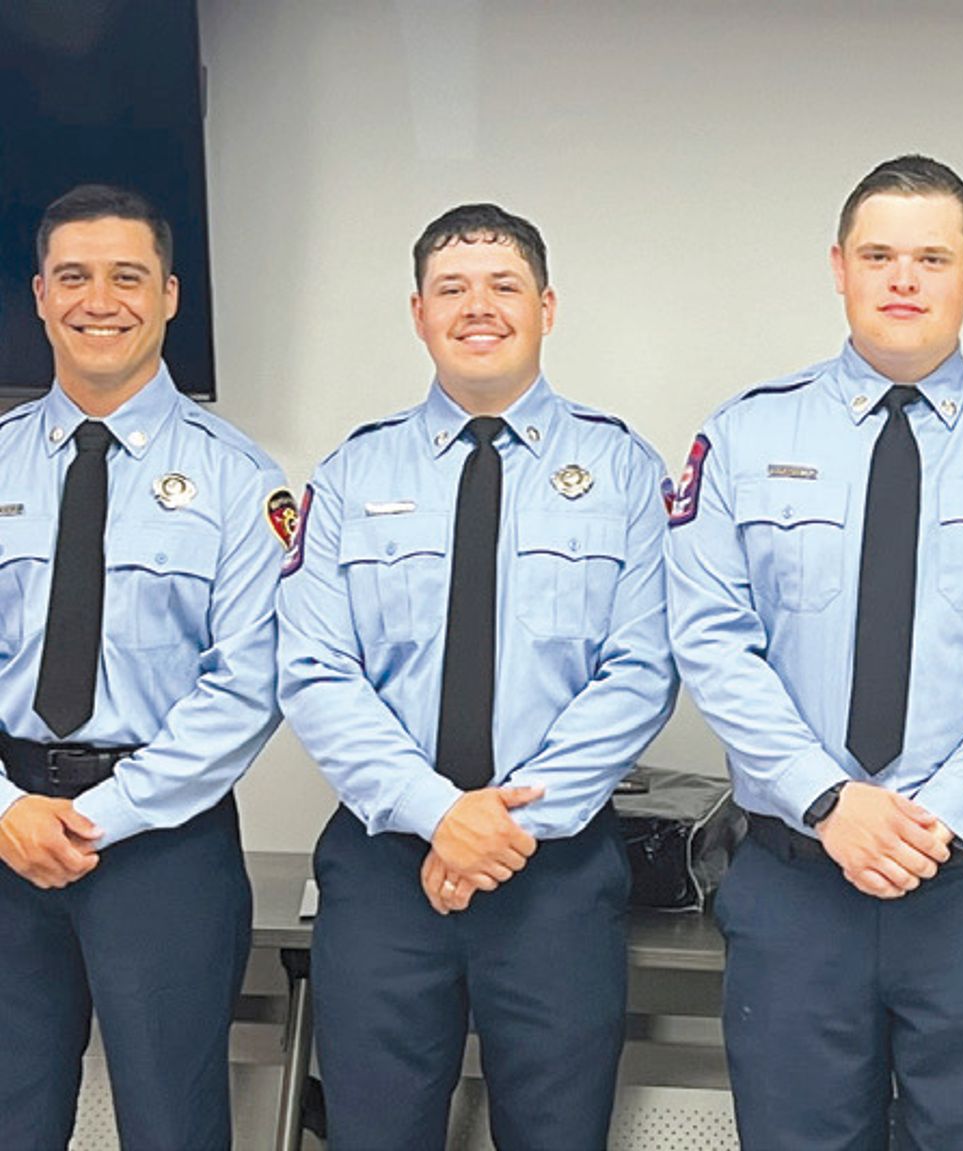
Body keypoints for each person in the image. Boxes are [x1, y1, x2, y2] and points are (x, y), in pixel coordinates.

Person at [666, 154, 963, 1151]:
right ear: (839, 266)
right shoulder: (746, 436)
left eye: (931, 255)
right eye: (879, 254)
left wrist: (939, 818)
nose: (903, 278)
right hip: (796, 886)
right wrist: (829, 800)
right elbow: (711, 634)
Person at [277, 202, 676, 1151]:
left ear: (546, 306)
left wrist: (500, 825)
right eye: (451, 288)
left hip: (555, 874)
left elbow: (643, 668)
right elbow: (316, 670)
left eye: (503, 286)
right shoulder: (349, 475)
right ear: (418, 313)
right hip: (386, 873)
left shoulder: (623, 471)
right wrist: (438, 812)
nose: (478, 306)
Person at [0, 184, 286, 1150]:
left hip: (162, 846)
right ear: (40, 295)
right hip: (3, 830)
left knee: (173, 1125)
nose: (99, 299)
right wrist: (8, 812)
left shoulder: (240, 478)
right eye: (74, 276)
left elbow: (246, 686)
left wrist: (96, 818)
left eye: (128, 276)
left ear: (170, 295)